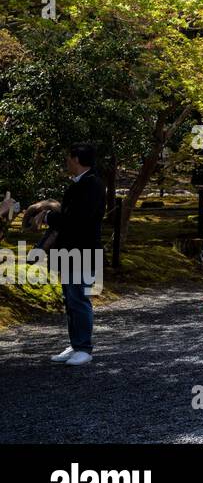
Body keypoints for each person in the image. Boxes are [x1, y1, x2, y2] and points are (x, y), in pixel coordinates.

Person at [46, 143, 106, 367]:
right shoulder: (79, 185)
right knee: (70, 298)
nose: (67, 162)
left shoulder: (92, 185)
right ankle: (76, 343)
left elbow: (77, 219)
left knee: (79, 298)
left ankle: (84, 347)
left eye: (69, 158)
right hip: (70, 250)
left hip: (84, 249)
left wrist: (48, 218)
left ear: (77, 159)